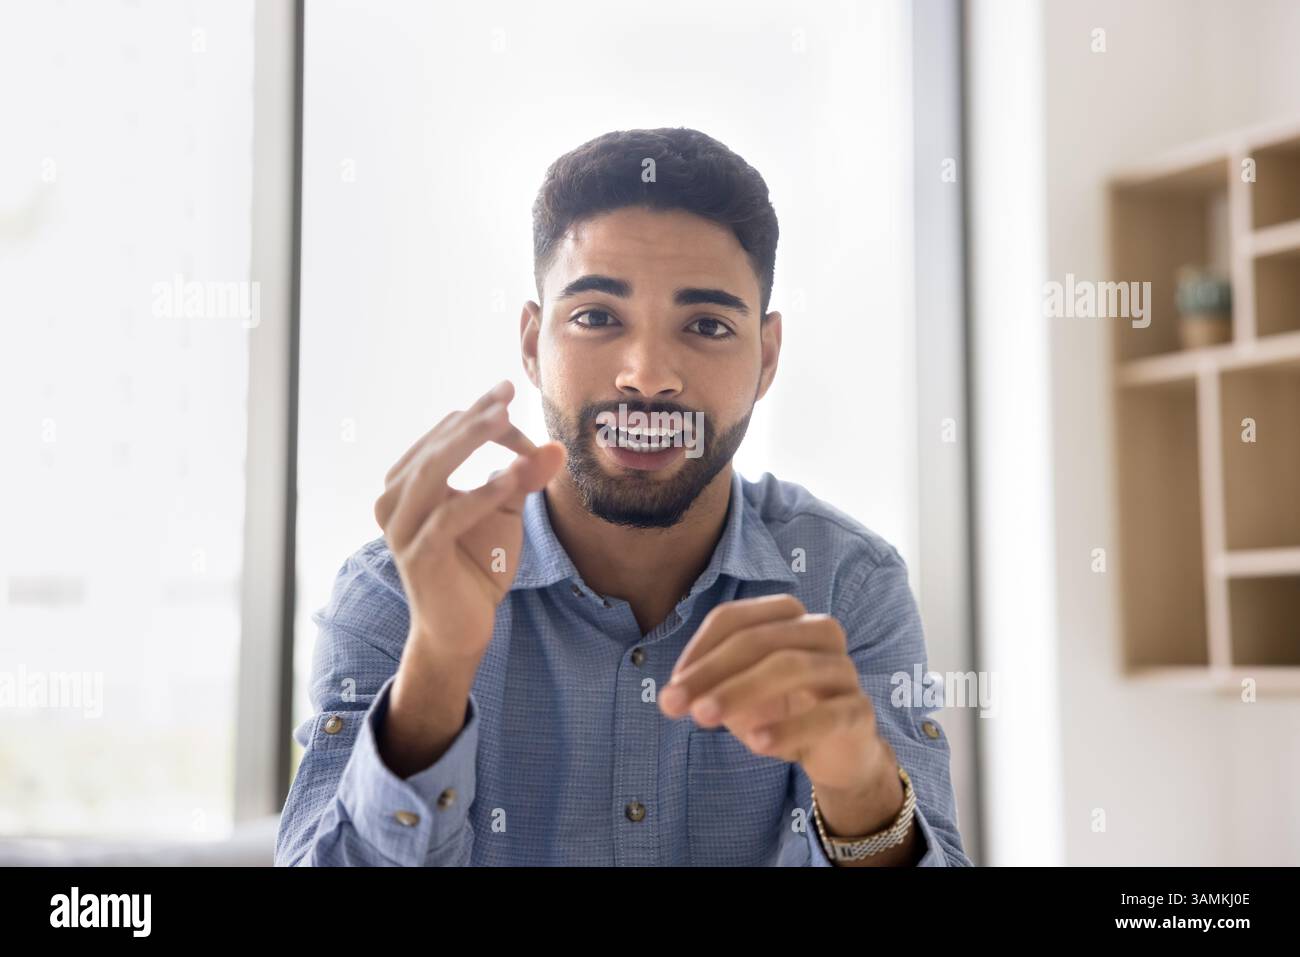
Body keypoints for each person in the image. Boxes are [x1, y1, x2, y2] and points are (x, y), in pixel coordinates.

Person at [275, 127, 970, 866]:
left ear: (765, 359)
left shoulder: (846, 583)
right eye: (597, 317)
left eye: (706, 325)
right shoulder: (396, 590)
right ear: (532, 343)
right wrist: (437, 670)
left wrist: (860, 784)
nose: (647, 375)